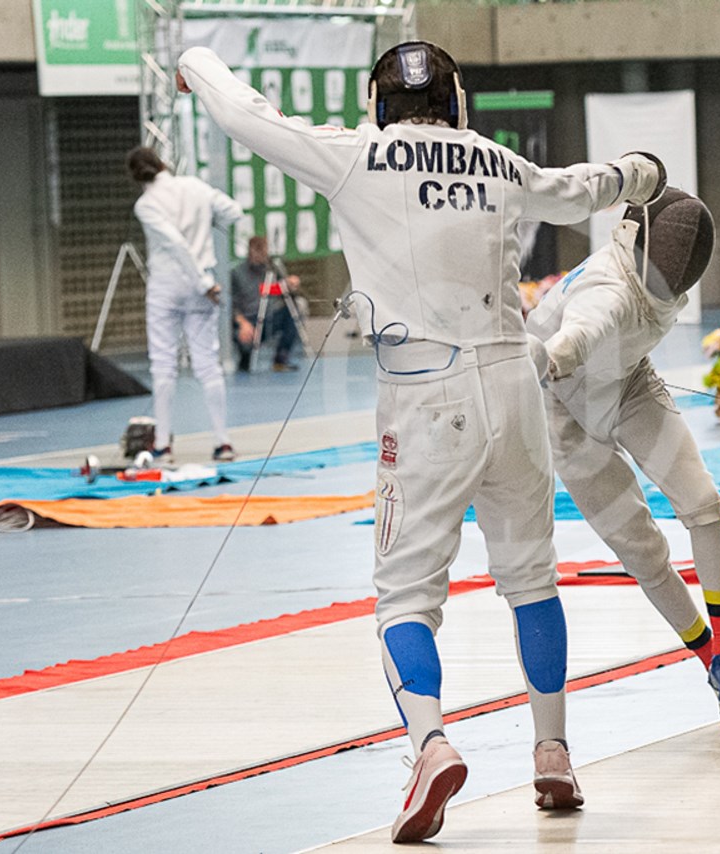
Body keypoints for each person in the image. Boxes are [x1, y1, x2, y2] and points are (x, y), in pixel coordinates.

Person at [176, 41, 665, 842]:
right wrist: (642, 173)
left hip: (425, 397)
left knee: (406, 598)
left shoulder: (356, 155)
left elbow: (244, 115)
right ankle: (553, 752)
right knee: (531, 581)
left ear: (378, 104)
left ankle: (431, 745)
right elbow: (584, 192)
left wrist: (196, 59)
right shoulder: (496, 160)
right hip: (515, 386)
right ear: (458, 100)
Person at [526, 188, 720, 730]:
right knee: (641, 549)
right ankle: (710, 664)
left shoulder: (650, 275)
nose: (670, 280)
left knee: (702, 503)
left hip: (630, 384)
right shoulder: (607, 289)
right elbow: (582, 332)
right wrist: (549, 359)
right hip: (561, 411)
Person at [127, 146, 242, 463]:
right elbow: (234, 211)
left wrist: (203, 283)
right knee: (208, 364)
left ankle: (163, 445)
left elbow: (174, 243)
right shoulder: (195, 187)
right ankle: (223, 442)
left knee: (163, 367)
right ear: (163, 164)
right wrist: (204, 280)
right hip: (199, 287)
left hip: (167, 289)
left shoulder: (146, 204)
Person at [231, 235, 300, 372]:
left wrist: (289, 283)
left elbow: (275, 290)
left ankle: (281, 359)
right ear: (249, 250)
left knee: (293, 312)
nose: (260, 254)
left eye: (263, 250)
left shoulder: (272, 269)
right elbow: (230, 305)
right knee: (244, 343)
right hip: (248, 321)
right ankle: (245, 358)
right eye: (257, 250)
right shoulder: (236, 273)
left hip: (271, 316)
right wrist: (243, 323)